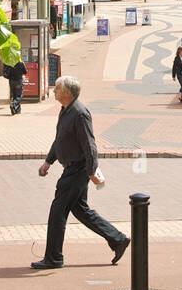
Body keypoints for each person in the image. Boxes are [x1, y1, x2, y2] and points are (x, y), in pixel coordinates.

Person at [33, 76, 129, 269]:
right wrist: (48, 161)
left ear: (68, 93)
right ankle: (117, 239)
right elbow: (59, 139)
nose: (54, 91)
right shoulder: (65, 110)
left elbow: (90, 146)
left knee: (57, 213)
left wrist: (92, 171)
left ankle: (54, 258)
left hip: (77, 170)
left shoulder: (79, 113)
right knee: (81, 211)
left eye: (58, 89)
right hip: (71, 168)